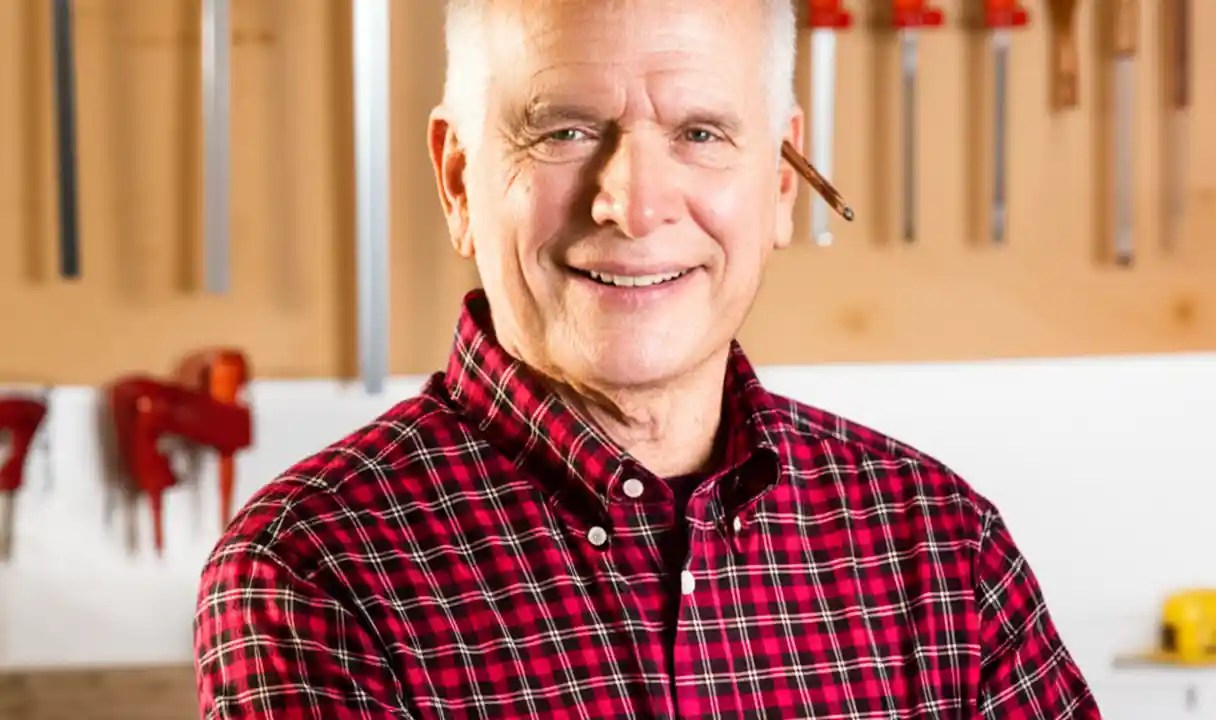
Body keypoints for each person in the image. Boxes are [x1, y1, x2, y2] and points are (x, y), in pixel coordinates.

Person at [192, 0, 1100, 717]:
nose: (632, 203)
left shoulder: (939, 544)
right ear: (458, 178)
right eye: (564, 131)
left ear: (781, 185)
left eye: (700, 133)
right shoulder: (313, 571)